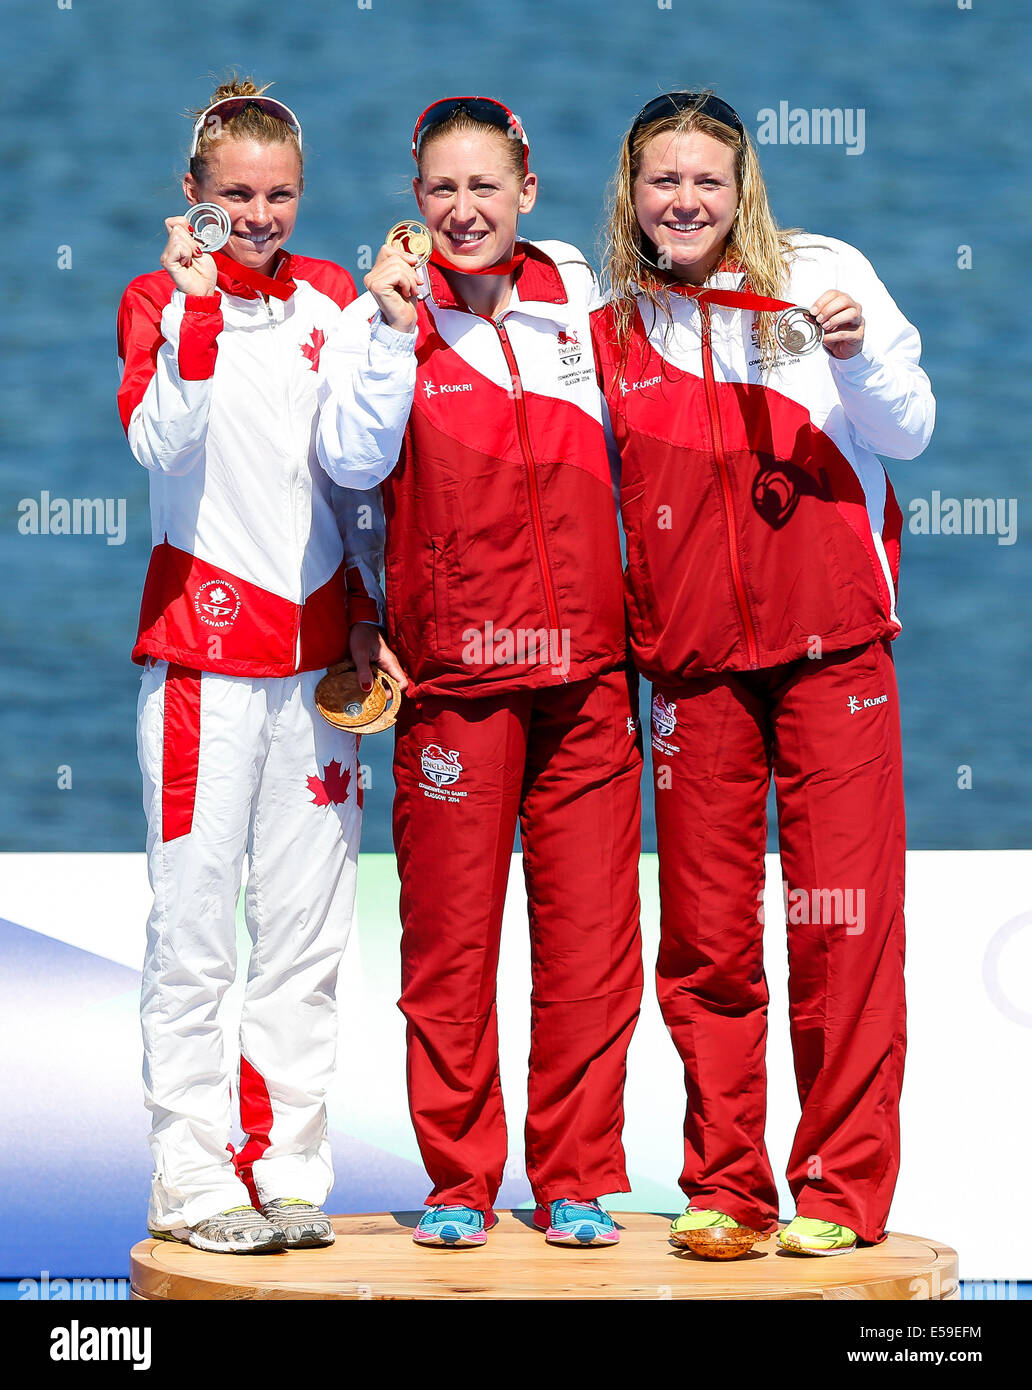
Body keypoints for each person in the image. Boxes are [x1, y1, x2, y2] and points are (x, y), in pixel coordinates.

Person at [591, 91, 934, 1256]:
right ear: (631, 195)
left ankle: (838, 1190)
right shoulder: (609, 319)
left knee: (840, 927)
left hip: (833, 653)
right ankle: (727, 1186)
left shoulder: (821, 273)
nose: (685, 201)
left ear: (744, 190)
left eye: (707, 181)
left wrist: (862, 352)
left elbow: (911, 428)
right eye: (662, 182)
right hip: (691, 672)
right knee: (707, 941)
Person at [316, 96, 644, 1248]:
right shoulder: (386, 323)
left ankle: (577, 1177)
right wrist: (394, 324)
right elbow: (352, 460)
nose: (464, 211)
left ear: (528, 193)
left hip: (590, 680)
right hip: (457, 681)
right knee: (450, 953)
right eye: (441, 191)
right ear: (416, 204)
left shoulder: (580, 297)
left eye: (484, 189)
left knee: (593, 947)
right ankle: (459, 1178)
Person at [117, 77, 377, 1254]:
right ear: (194, 196)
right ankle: (190, 1174)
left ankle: (288, 1171)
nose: (259, 215)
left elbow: (356, 475)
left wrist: (370, 613)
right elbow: (158, 441)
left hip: (319, 666)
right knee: (196, 933)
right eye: (235, 195)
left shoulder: (334, 296)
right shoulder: (151, 300)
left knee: (311, 936)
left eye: (277, 196)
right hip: (202, 663)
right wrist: (196, 310)